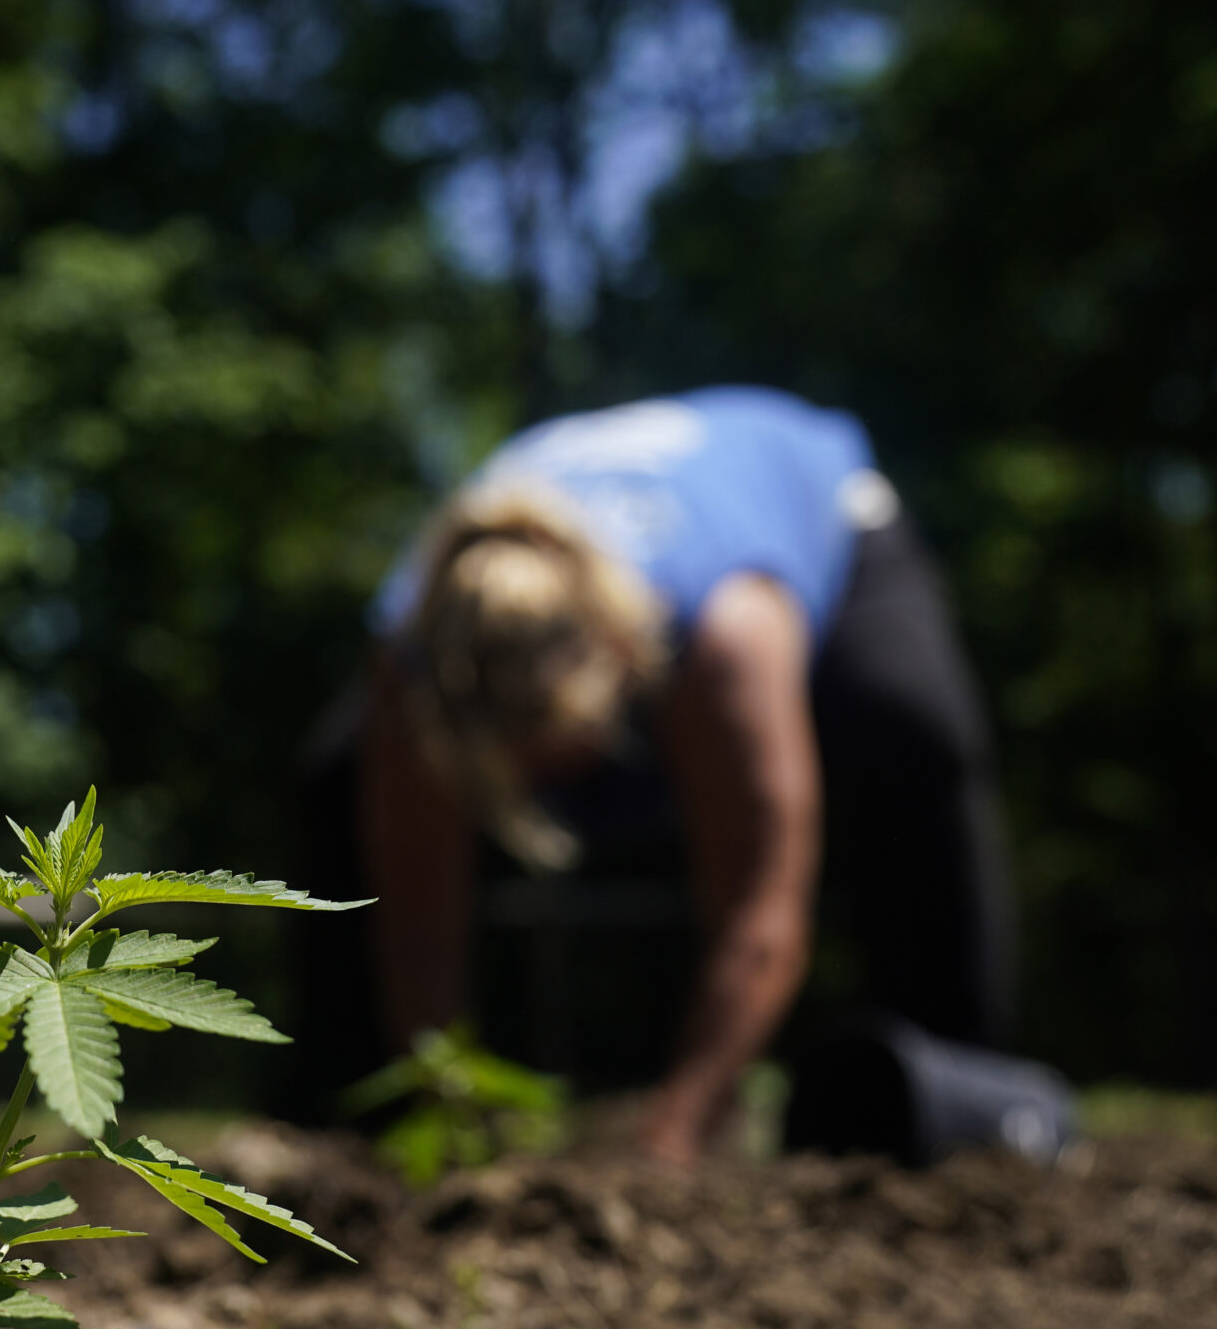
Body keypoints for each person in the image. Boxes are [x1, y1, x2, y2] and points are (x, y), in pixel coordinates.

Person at [360, 386, 1013, 1168]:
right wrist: (449, 1112)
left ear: (618, 662)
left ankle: (956, 1094)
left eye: (559, 746)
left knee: (914, 734)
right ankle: (334, 1101)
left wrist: (674, 1135)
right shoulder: (416, 663)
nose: (546, 779)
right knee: (330, 782)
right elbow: (415, 924)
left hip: (813, 500)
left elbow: (764, 916)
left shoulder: (728, 632)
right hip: (599, 536)